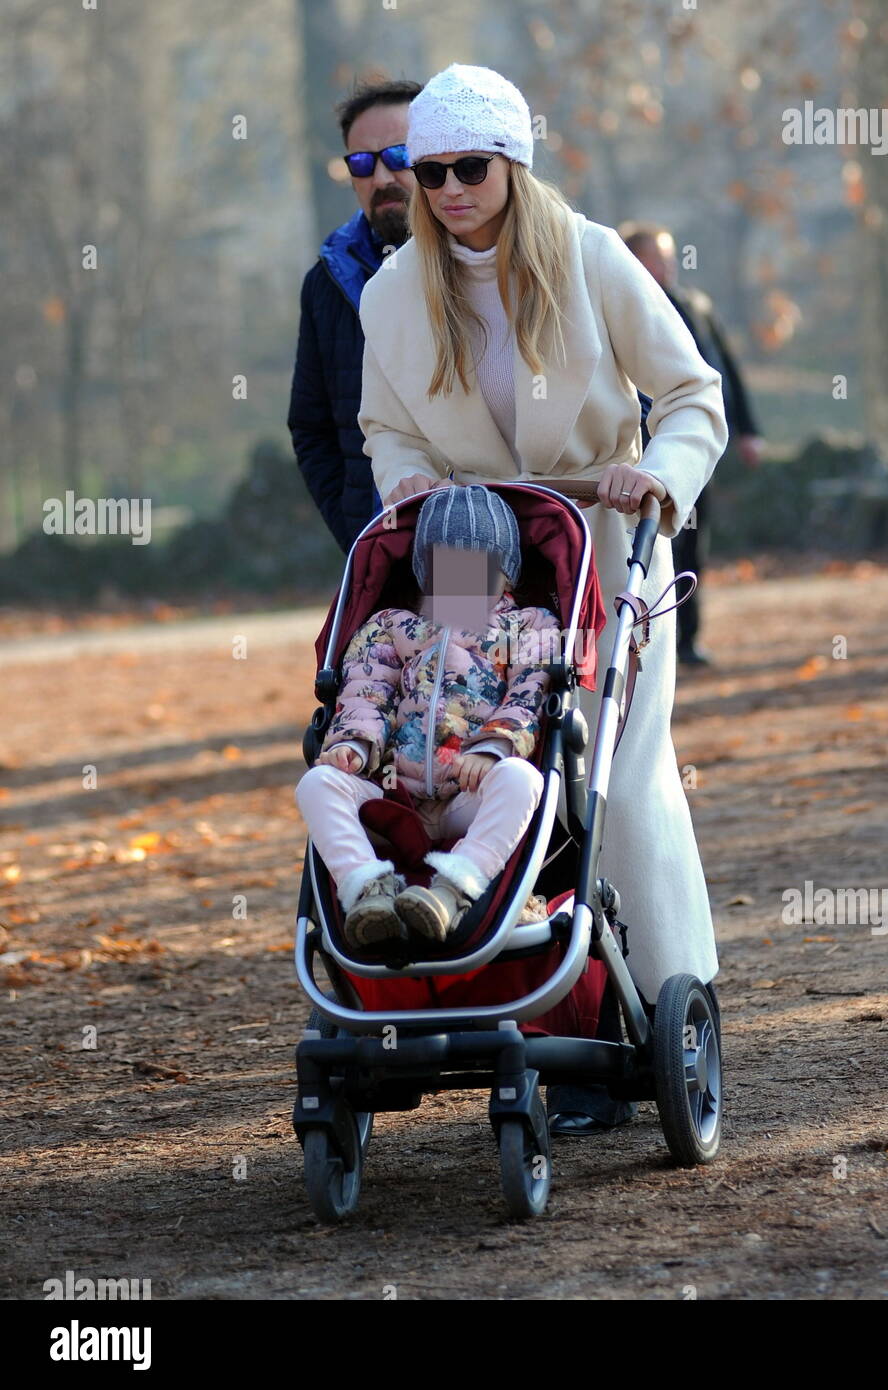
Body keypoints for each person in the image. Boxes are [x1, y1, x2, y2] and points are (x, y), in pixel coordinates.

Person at [356, 64, 728, 1133]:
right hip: (475, 572)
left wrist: (656, 473)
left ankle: (669, 1002)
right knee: (490, 775)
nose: (448, 190)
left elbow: (692, 392)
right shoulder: (392, 295)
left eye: (470, 167)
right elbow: (385, 430)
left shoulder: (592, 260)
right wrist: (409, 489)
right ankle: (547, 1012)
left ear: (512, 163)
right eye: (430, 172)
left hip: (607, 550)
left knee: (612, 781)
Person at [295, 484, 560, 950]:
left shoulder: (530, 626)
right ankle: (368, 891)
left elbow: (530, 691)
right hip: (397, 797)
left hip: (470, 795)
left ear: (506, 576)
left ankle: (454, 892)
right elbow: (365, 691)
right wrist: (353, 744)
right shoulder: (392, 628)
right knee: (316, 784)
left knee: (523, 781)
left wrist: (494, 745)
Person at [288, 79, 422, 553]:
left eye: (399, 155)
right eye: (362, 163)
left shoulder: (484, 262)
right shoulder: (326, 283)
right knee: (381, 632)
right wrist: (355, 529)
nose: (382, 178)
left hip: (470, 535)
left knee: (460, 625)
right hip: (379, 540)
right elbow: (311, 427)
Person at [623, 222, 764, 667]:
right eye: (654, 258)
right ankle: (649, 640)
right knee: (656, 548)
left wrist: (748, 430)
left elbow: (726, 374)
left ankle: (689, 639)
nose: (664, 266)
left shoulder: (697, 305)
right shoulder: (630, 306)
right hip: (647, 453)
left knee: (693, 543)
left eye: (668, 257)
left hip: (696, 451)